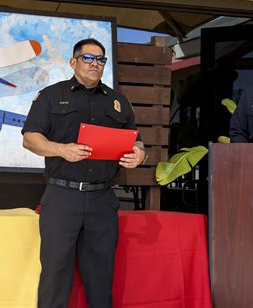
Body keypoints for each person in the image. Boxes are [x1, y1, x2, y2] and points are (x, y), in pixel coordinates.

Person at [22, 38, 146, 307]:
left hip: (102, 199)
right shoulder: (51, 95)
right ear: (74, 62)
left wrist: (140, 153)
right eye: (88, 58)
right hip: (61, 197)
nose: (95, 64)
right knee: (55, 274)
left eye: (100, 59)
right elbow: (30, 138)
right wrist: (60, 149)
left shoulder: (118, 101)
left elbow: (136, 138)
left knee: (101, 277)